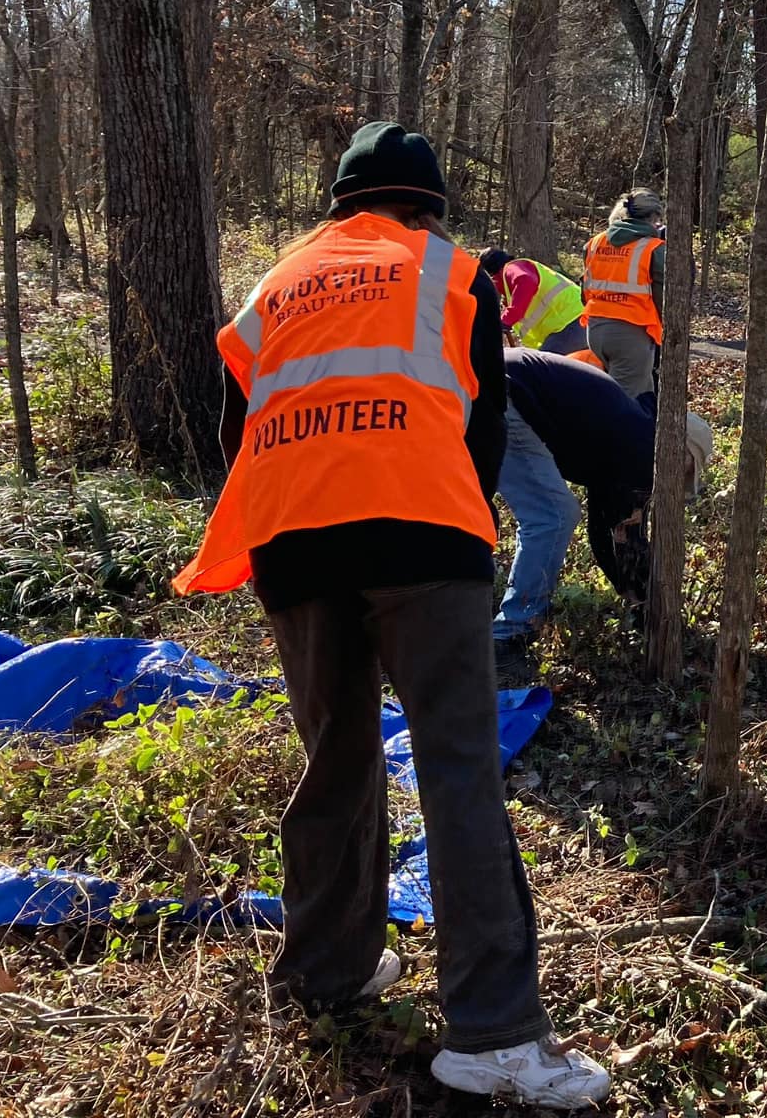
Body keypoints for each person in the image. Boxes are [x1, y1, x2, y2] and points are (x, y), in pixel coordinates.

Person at [173, 122, 610, 1108]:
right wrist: (463, 535)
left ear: (339, 205)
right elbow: (484, 422)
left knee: (334, 756)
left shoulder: (275, 284)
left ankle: (324, 972)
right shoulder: (454, 275)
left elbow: (239, 428)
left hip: (290, 540)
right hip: (421, 534)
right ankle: (494, 1034)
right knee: (457, 767)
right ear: (427, 207)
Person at [495, 348, 714, 649]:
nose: (677, 480)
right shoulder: (642, 451)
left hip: (481, 377)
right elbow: (621, 538)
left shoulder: (628, 426)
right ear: (677, 451)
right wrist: (647, 602)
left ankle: (459, 591)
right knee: (554, 514)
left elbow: (602, 528)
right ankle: (511, 634)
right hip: (505, 391)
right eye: (685, 469)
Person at [583, 190, 665, 401]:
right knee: (626, 403)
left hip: (595, 330)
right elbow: (662, 301)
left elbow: (585, 291)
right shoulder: (654, 249)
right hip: (631, 333)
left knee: (619, 392)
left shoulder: (594, 243)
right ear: (653, 217)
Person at [480, 248, 589, 357]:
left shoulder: (512, 268)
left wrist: (506, 320)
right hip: (573, 322)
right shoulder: (512, 279)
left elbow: (526, 280)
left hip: (572, 321)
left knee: (543, 368)